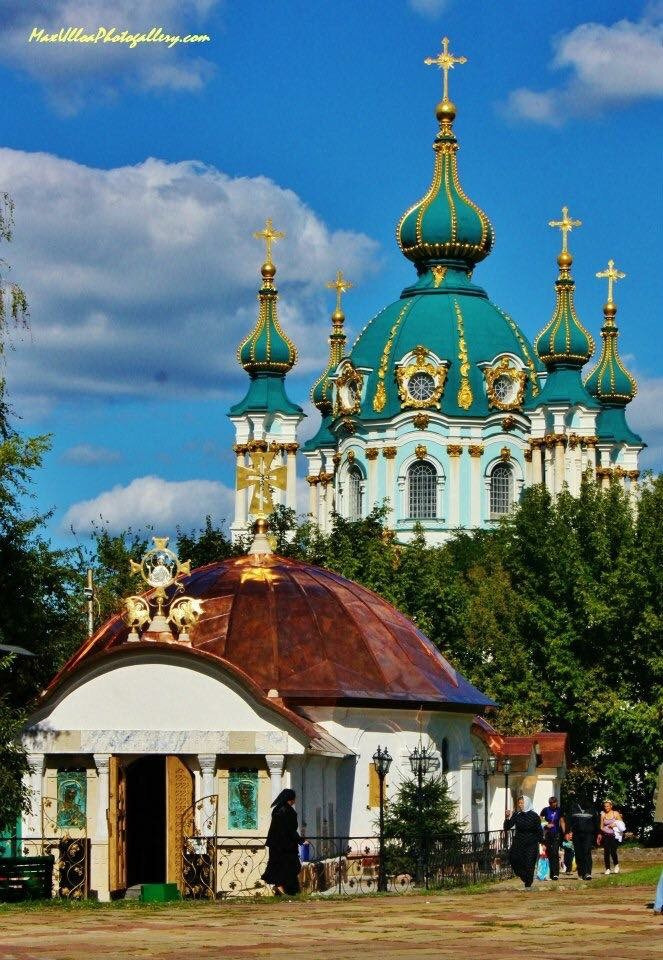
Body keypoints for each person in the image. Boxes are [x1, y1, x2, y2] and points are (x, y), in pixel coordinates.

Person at [262, 788, 301, 895]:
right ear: (290, 799)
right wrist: (300, 840)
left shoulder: (277, 809)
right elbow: (290, 829)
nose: (294, 801)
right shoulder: (287, 811)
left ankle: (279, 887)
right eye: (294, 799)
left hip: (276, 844)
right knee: (289, 866)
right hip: (285, 845)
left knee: (278, 865)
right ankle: (280, 887)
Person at [504, 796, 544, 889]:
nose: (520, 805)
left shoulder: (534, 816)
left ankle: (528, 884)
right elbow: (507, 827)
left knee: (529, 863)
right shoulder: (517, 814)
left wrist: (542, 842)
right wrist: (507, 818)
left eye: (522, 803)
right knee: (514, 859)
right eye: (519, 803)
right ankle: (524, 877)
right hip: (519, 842)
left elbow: (539, 830)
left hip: (531, 843)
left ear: (527, 803)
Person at [570, 802, 597, 880]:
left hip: (588, 834)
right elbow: (569, 820)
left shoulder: (591, 809)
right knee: (579, 853)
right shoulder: (574, 808)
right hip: (576, 834)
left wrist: (598, 834)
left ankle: (588, 873)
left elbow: (596, 822)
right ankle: (581, 873)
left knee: (587, 851)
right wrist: (567, 832)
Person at [539, 796, 564, 880]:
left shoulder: (559, 810)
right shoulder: (545, 810)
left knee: (555, 852)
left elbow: (562, 821)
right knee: (549, 853)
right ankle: (550, 873)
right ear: (550, 804)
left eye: (556, 803)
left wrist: (565, 832)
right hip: (547, 834)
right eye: (553, 803)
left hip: (556, 833)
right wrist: (546, 824)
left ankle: (556, 873)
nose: (555, 805)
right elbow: (540, 819)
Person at [600, 799, 620, 875]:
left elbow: (621, 823)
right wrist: (605, 829)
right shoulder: (603, 815)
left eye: (608, 806)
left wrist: (614, 825)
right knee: (606, 852)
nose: (606, 808)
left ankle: (616, 865)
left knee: (613, 851)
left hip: (614, 835)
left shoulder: (616, 813)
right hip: (606, 835)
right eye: (605, 806)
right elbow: (601, 827)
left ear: (611, 806)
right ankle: (607, 868)